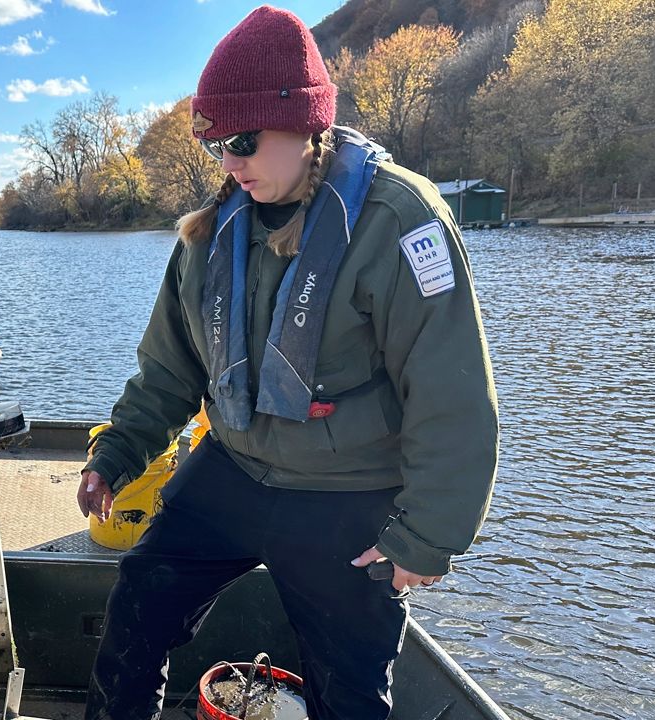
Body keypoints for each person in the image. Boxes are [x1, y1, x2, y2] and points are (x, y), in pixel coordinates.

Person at [76, 6, 499, 720]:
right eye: (215, 147)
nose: (229, 164)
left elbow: (450, 393)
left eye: (242, 141)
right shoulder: (210, 232)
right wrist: (114, 455)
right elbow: (170, 370)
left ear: (307, 125)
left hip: (348, 493)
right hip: (235, 468)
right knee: (137, 602)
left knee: (352, 690)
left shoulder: (401, 221)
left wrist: (427, 536)